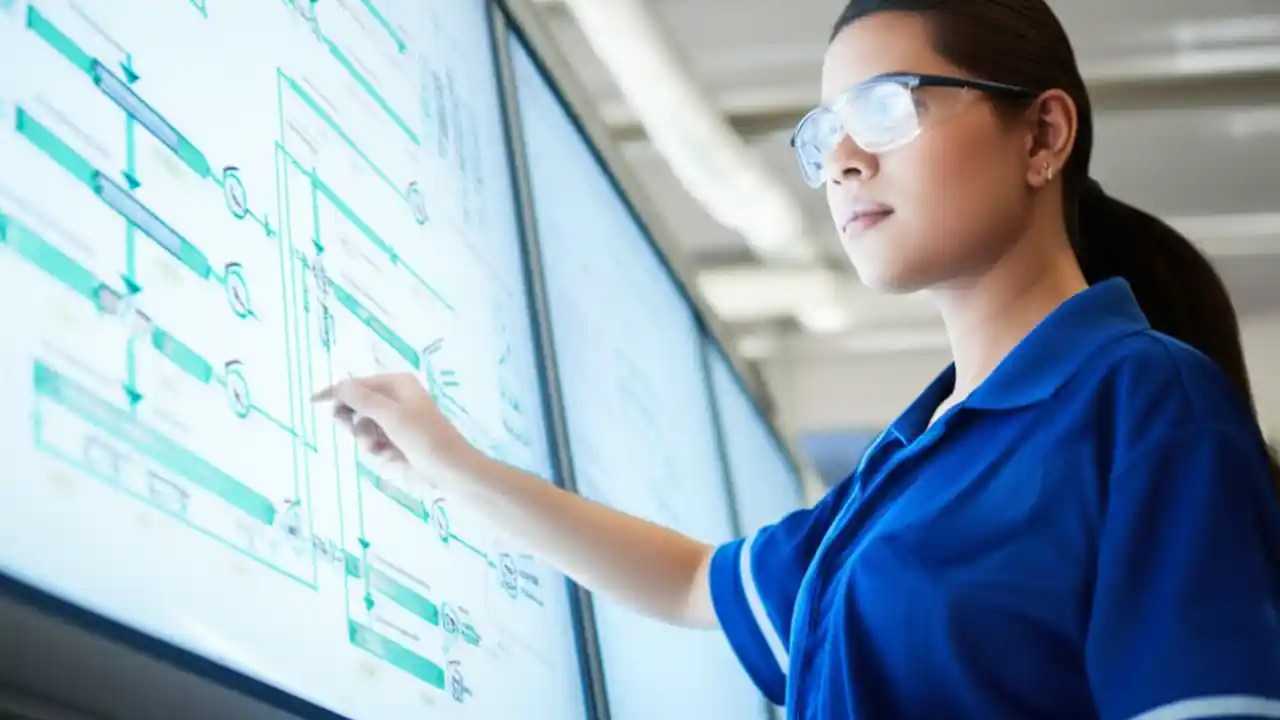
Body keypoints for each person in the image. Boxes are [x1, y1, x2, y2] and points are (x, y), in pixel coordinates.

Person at [315, 0, 1280, 717]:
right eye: (824, 137)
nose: (845, 161)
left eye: (889, 110)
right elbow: (696, 582)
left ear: (1043, 134)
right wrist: (453, 466)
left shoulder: (1147, 401)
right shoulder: (907, 464)